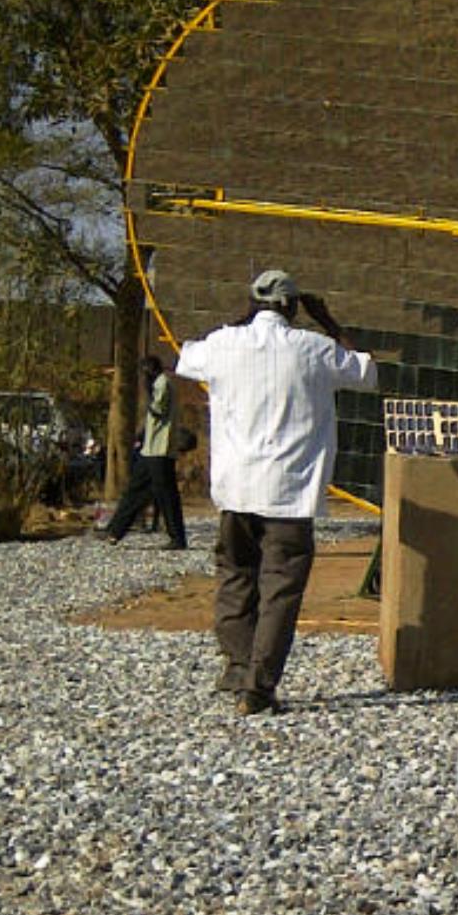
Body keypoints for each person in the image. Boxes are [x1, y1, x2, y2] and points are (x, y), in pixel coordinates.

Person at [174, 269, 375, 715]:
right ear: (292, 307)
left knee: (235, 578)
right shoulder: (316, 350)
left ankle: (237, 666)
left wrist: (239, 318)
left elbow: (186, 358)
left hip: (236, 488)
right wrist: (329, 322)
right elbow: (366, 370)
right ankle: (258, 688)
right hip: (289, 492)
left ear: (254, 304)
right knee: (279, 590)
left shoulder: (224, 345)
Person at [101, 355, 187, 550]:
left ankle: (177, 537)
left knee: (166, 495)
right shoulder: (159, 384)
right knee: (135, 491)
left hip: (161, 449)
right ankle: (115, 530)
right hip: (151, 448)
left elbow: (157, 410)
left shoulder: (162, 384)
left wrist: (148, 392)